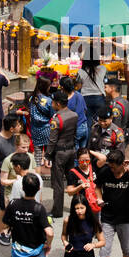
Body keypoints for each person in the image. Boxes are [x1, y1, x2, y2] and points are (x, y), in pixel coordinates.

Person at [0, 114, 22, 244]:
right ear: (11, 129)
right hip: (1, 178)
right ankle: (0, 230)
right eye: (18, 125)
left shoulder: (14, 137)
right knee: (4, 206)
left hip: (13, 177)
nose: (20, 126)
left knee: (12, 204)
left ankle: (8, 227)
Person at [47, 88, 80, 219]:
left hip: (59, 154)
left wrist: (48, 155)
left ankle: (57, 211)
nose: (51, 104)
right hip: (71, 151)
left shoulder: (56, 120)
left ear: (58, 104)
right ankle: (79, 206)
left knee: (58, 184)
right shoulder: (74, 115)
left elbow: (52, 140)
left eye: (53, 102)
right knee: (73, 180)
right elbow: (75, 133)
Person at [27, 72, 55, 159]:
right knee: (48, 154)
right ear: (45, 87)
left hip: (35, 130)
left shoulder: (31, 98)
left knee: (37, 156)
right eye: (49, 86)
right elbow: (52, 114)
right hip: (46, 129)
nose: (49, 88)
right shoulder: (48, 100)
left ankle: (37, 170)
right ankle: (47, 163)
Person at [104, 77, 129, 143]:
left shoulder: (116, 106)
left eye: (105, 87)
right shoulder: (125, 101)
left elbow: (115, 126)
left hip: (117, 138)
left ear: (112, 88)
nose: (104, 89)